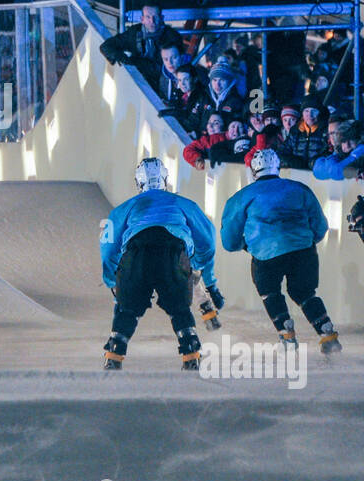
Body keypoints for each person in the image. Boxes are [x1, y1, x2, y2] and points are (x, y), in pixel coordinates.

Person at [99, 158, 218, 371]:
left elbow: (108, 246)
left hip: (136, 254)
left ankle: (114, 353)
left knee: (127, 310)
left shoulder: (124, 208)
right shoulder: (183, 204)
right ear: (165, 179)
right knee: (180, 309)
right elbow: (208, 237)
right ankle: (190, 352)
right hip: (173, 252)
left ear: (138, 182)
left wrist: (111, 278)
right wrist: (198, 264)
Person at [220, 149, 342, 353]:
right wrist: (308, 241)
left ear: (253, 170)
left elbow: (229, 238)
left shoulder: (242, 197)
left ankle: (286, 332)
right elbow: (320, 226)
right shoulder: (300, 189)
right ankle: (327, 332)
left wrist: (245, 245)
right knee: (305, 293)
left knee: (270, 292)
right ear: (278, 167)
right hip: (303, 249)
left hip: (265, 253)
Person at [99, 5, 181, 86]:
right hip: (137, 83)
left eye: (155, 17)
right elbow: (106, 47)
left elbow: (163, 68)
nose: (152, 21)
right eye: (148, 17)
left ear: (162, 18)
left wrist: (134, 62)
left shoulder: (172, 37)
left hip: (163, 83)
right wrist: (122, 57)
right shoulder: (134, 33)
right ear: (142, 19)